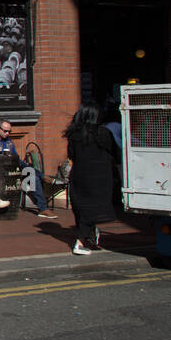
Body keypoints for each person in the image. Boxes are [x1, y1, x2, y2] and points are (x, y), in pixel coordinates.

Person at [65, 103, 118, 256]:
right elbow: (112, 151)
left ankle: (89, 234)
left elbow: (71, 155)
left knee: (82, 207)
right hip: (99, 176)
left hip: (79, 174)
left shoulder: (73, 134)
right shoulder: (103, 133)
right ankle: (80, 242)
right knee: (94, 207)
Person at [0, 119, 56, 218]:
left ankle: (43, 209)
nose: (7, 133)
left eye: (9, 131)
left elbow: (15, 158)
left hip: (13, 169)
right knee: (29, 171)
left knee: (33, 177)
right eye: (5, 131)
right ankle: (43, 176)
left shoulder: (8, 141)